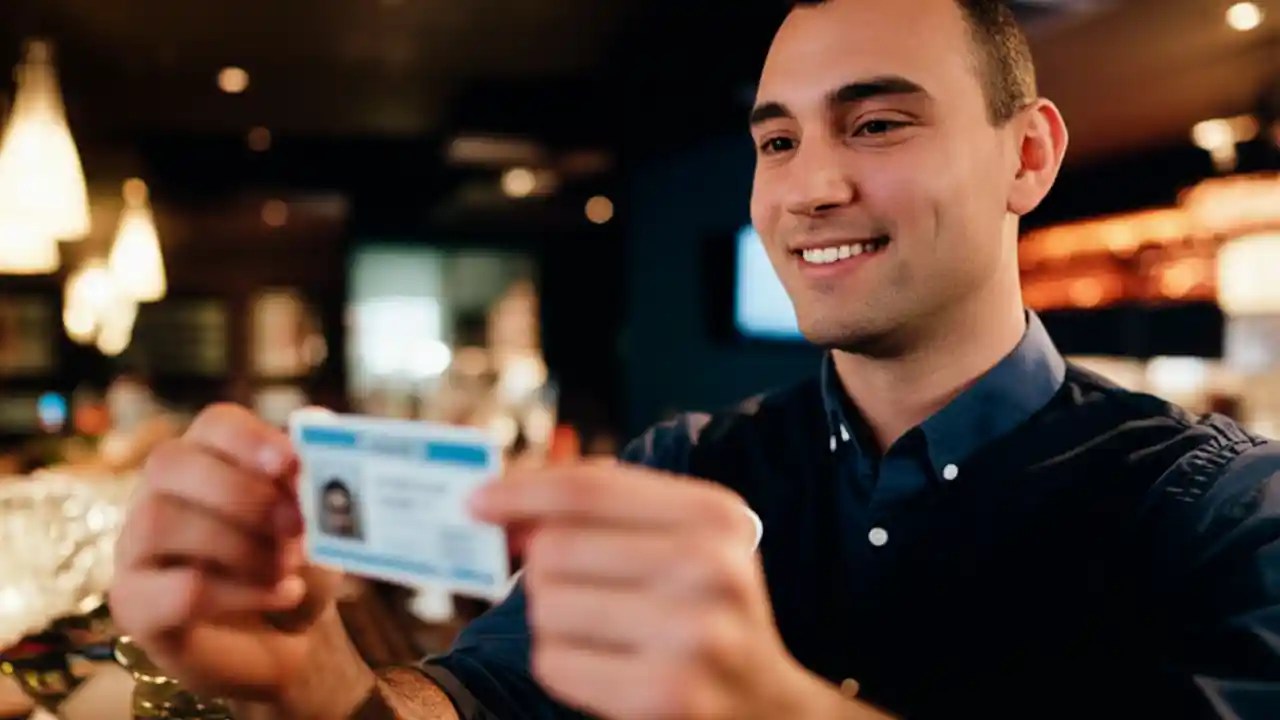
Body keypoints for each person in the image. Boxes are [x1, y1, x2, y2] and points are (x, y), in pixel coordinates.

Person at [107, 0, 1280, 718]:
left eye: (876, 123)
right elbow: (482, 699)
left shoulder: (1214, 513)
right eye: (778, 140)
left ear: (1025, 156)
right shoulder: (684, 469)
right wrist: (307, 674)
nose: (811, 186)